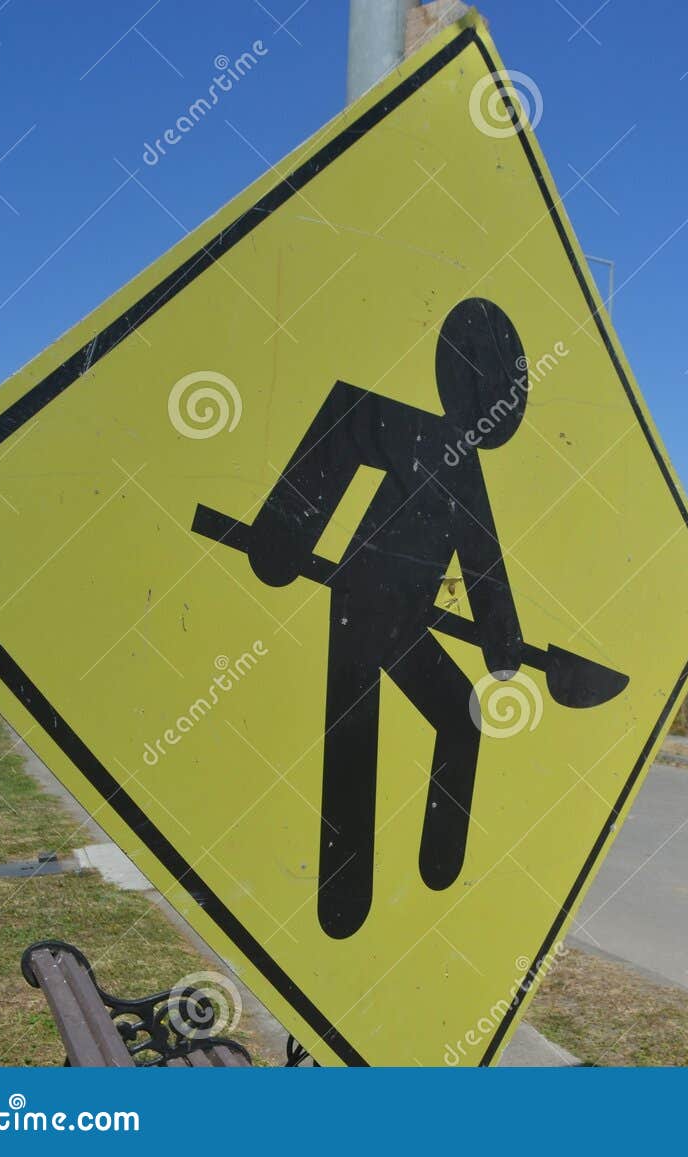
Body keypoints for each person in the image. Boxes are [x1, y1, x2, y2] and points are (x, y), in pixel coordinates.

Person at [245, 297, 527, 939]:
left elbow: (485, 565)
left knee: (461, 714)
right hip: (357, 604)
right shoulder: (405, 426)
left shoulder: (468, 472)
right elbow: (342, 426)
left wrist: (502, 646)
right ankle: (342, 895)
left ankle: (438, 863)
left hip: (407, 619)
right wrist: (283, 534)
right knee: (353, 733)